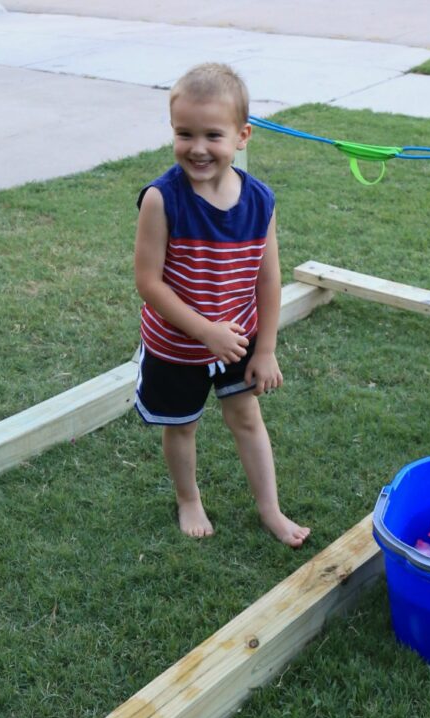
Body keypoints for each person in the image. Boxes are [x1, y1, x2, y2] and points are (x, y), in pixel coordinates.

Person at [133, 62, 310, 548]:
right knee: (182, 426)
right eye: (184, 133)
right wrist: (204, 331)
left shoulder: (260, 201)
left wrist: (266, 348)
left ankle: (270, 509)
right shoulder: (161, 200)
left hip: (238, 337)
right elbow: (149, 282)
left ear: (242, 135)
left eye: (213, 134)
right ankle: (189, 498)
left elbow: (267, 277)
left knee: (247, 417)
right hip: (176, 345)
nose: (197, 147)